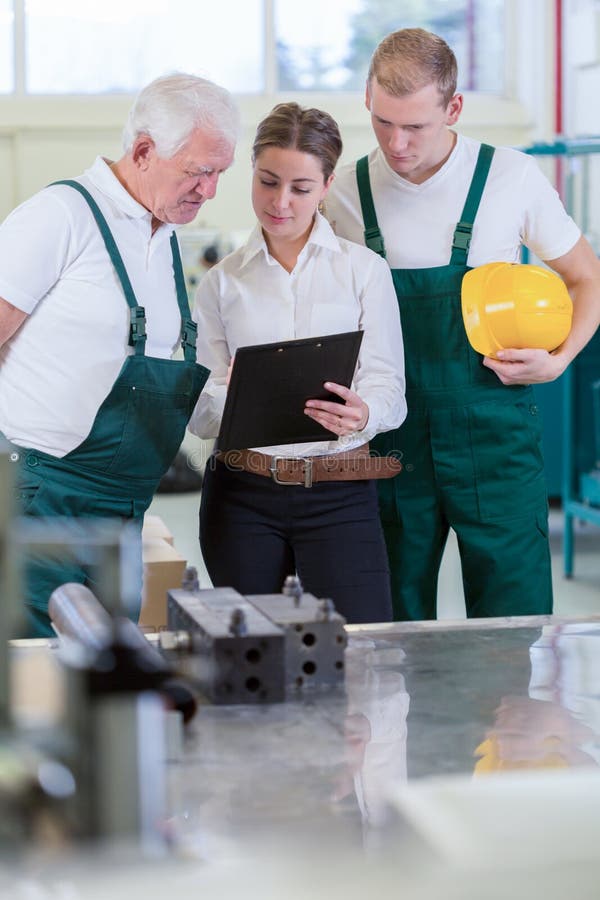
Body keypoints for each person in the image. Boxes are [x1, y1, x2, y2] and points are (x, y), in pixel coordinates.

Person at [325, 28, 600, 621]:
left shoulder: (511, 177)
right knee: (389, 628)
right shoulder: (343, 193)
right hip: (389, 441)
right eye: (381, 122)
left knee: (513, 622)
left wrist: (560, 359)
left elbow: (589, 277)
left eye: (416, 127)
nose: (397, 144)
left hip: (495, 437)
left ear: (453, 109)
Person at [0, 73, 239, 637]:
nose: (209, 191)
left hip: (124, 509)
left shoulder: (163, 241)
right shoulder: (60, 217)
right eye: (198, 172)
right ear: (143, 151)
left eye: (219, 174)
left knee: (113, 676)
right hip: (41, 497)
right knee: (35, 676)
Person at [189, 102, 406, 624]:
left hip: (341, 495)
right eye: (267, 181)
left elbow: (389, 387)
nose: (280, 202)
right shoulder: (222, 283)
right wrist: (230, 393)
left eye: (300, 188)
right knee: (255, 668)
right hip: (242, 498)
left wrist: (365, 414)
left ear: (327, 185)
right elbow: (199, 416)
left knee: (361, 657)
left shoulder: (363, 272)